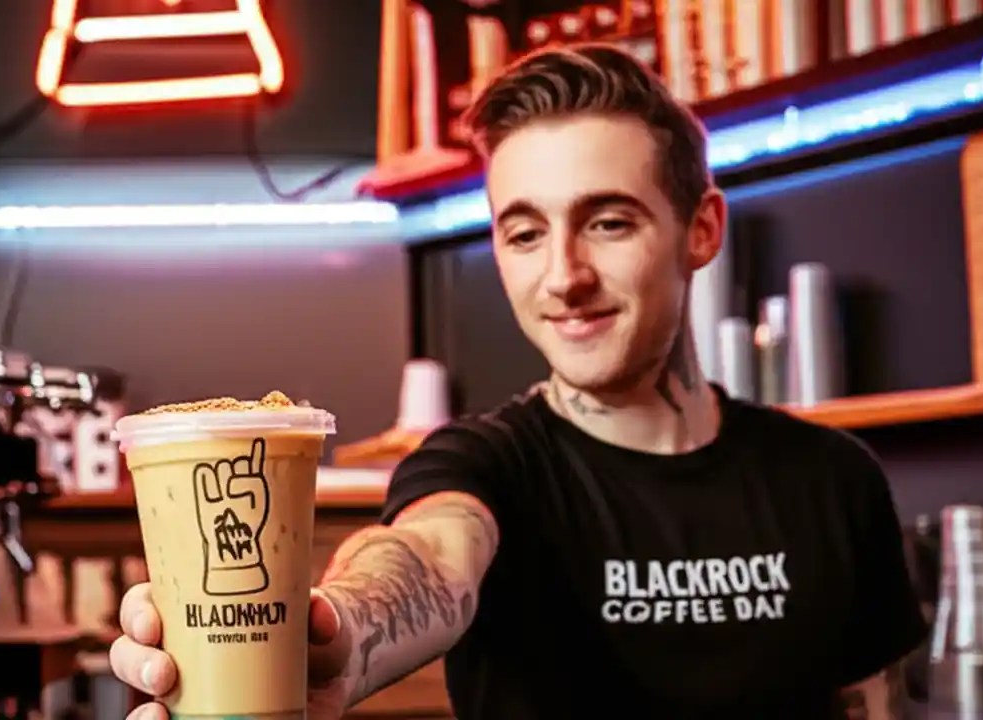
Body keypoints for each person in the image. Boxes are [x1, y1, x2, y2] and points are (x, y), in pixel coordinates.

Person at [109, 43, 927, 719]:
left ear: (701, 229)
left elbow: (870, 704)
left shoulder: (833, 479)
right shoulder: (482, 464)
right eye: (525, 232)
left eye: (608, 222)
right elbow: (430, 557)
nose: (563, 276)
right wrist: (335, 637)